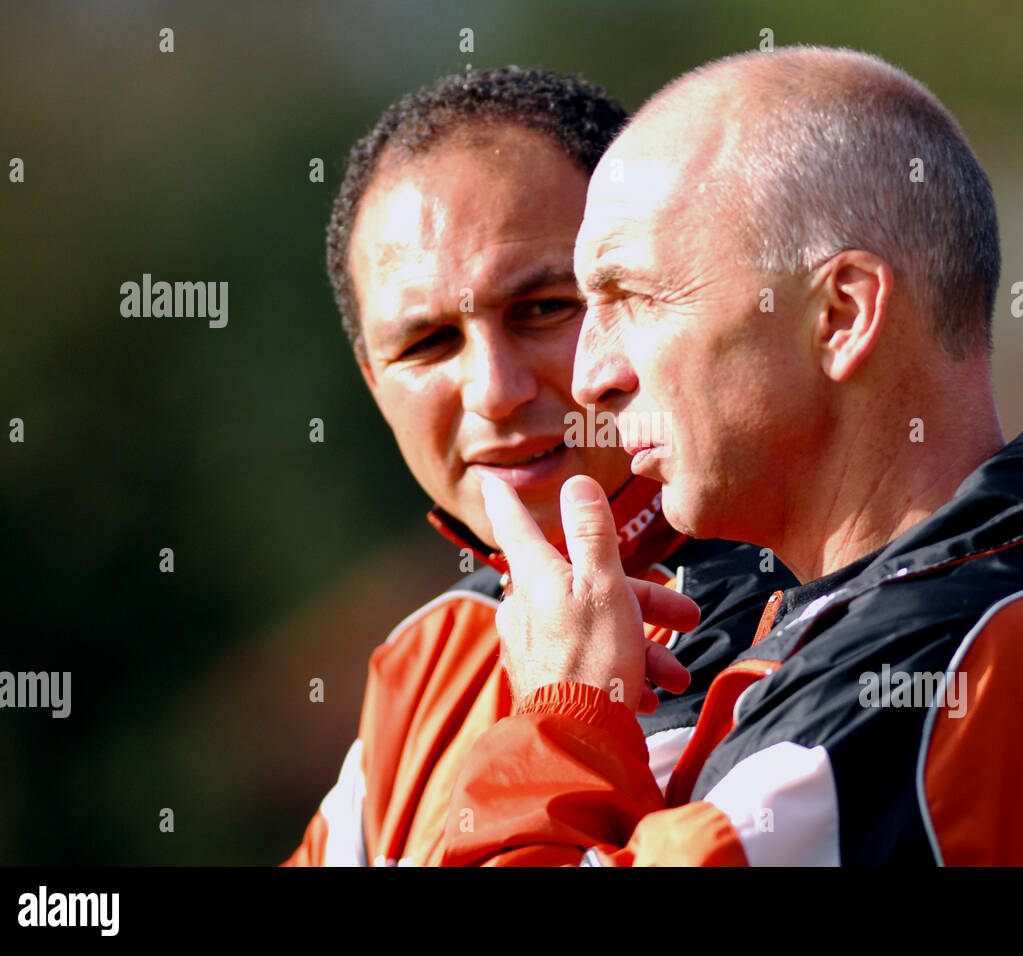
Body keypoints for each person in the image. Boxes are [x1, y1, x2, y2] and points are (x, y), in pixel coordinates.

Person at [431, 47, 1023, 866]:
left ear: (842, 316)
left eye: (633, 298)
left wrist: (564, 711)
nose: (591, 376)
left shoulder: (907, 698)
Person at [281, 67, 792, 866]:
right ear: (373, 383)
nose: (495, 391)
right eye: (427, 343)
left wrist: (570, 713)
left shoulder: (806, 624)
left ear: (648, 296)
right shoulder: (429, 650)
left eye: (545, 308)